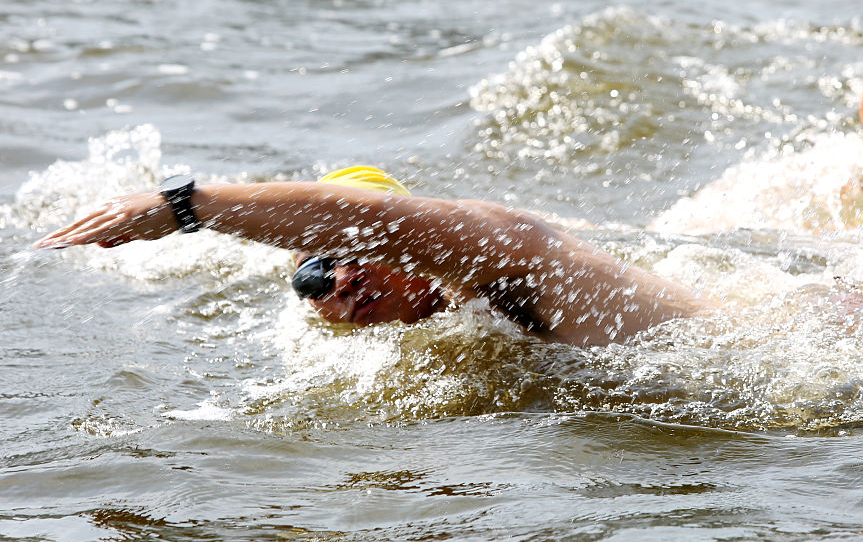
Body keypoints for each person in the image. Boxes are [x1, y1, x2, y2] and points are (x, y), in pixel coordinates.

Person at [34, 166, 711, 346]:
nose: (337, 279)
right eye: (310, 276)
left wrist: (186, 206)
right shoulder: (444, 333)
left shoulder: (503, 259)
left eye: (343, 253)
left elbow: (375, 219)